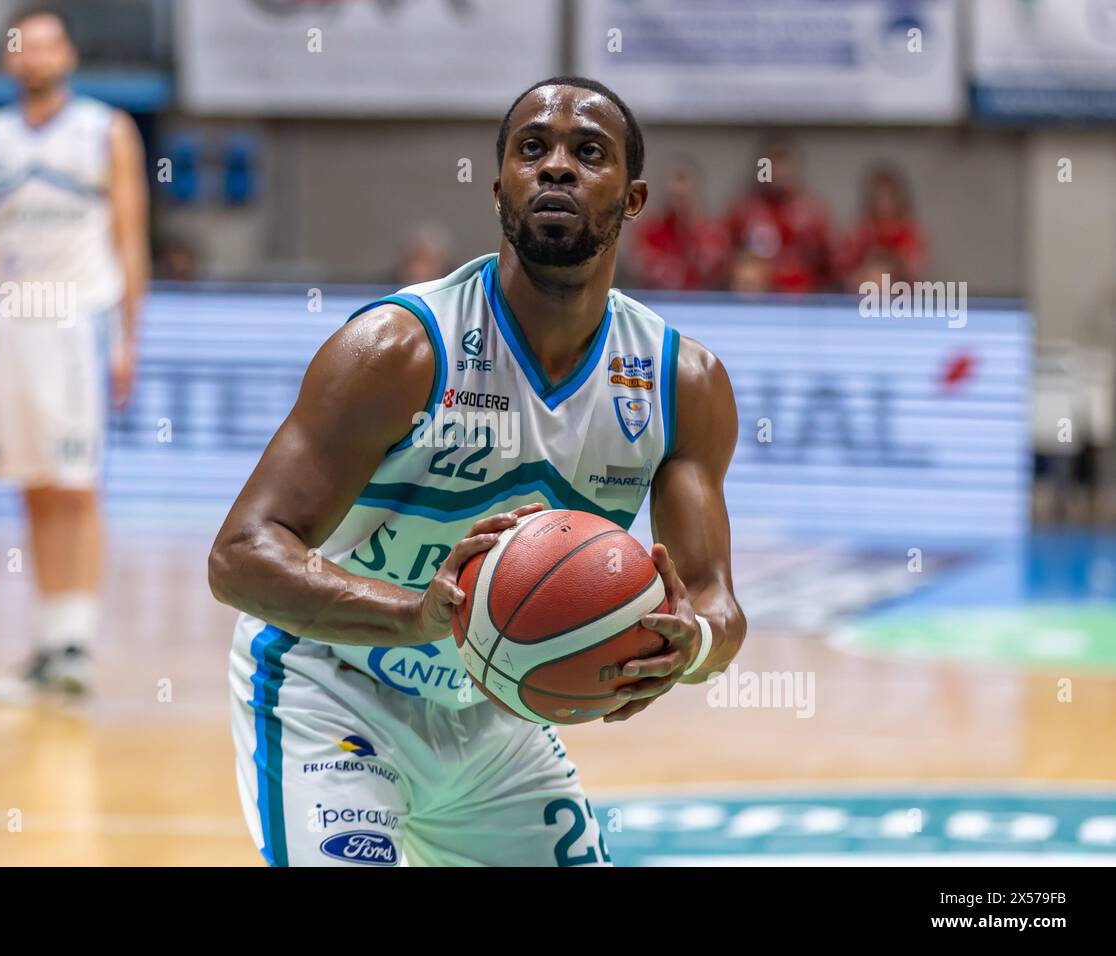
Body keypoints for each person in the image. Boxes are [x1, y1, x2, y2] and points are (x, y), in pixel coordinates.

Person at [208, 76, 746, 867]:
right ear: (500, 189)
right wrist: (414, 615)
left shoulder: (679, 382)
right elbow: (239, 556)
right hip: (331, 686)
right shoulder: (398, 349)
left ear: (633, 201)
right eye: (533, 149)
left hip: (496, 711)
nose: (555, 167)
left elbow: (716, 602)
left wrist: (688, 647)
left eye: (586, 152)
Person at [0, 8, 149, 696]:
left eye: (48, 43)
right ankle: (49, 643)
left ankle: (78, 642)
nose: (36, 55)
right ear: (9, 61)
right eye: (24, 46)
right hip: (10, 323)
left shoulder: (106, 129)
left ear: (69, 55)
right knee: (33, 486)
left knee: (77, 488)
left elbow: (130, 236)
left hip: (77, 321)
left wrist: (130, 338)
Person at [726, 137, 834, 293]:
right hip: (758, 302)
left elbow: (828, 268)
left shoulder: (813, 212)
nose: (779, 171)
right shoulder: (744, 210)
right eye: (772, 164)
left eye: (784, 163)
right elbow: (730, 258)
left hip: (804, 303)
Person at [630, 158, 729, 290]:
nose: (679, 197)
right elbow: (641, 268)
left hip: (704, 304)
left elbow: (717, 273)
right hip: (658, 304)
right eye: (674, 196)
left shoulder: (715, 233)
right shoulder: (649, 230)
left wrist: (688, 231)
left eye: (683, 196)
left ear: (696, 191)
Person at [835, 165, 927, 288]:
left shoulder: (910, 232)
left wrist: (890, 265)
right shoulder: (859, 231)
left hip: (901, 293)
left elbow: (914, 269)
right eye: (879, 196)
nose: (884, 203)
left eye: (889, 196)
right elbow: (843, 268)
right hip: (860, 294)